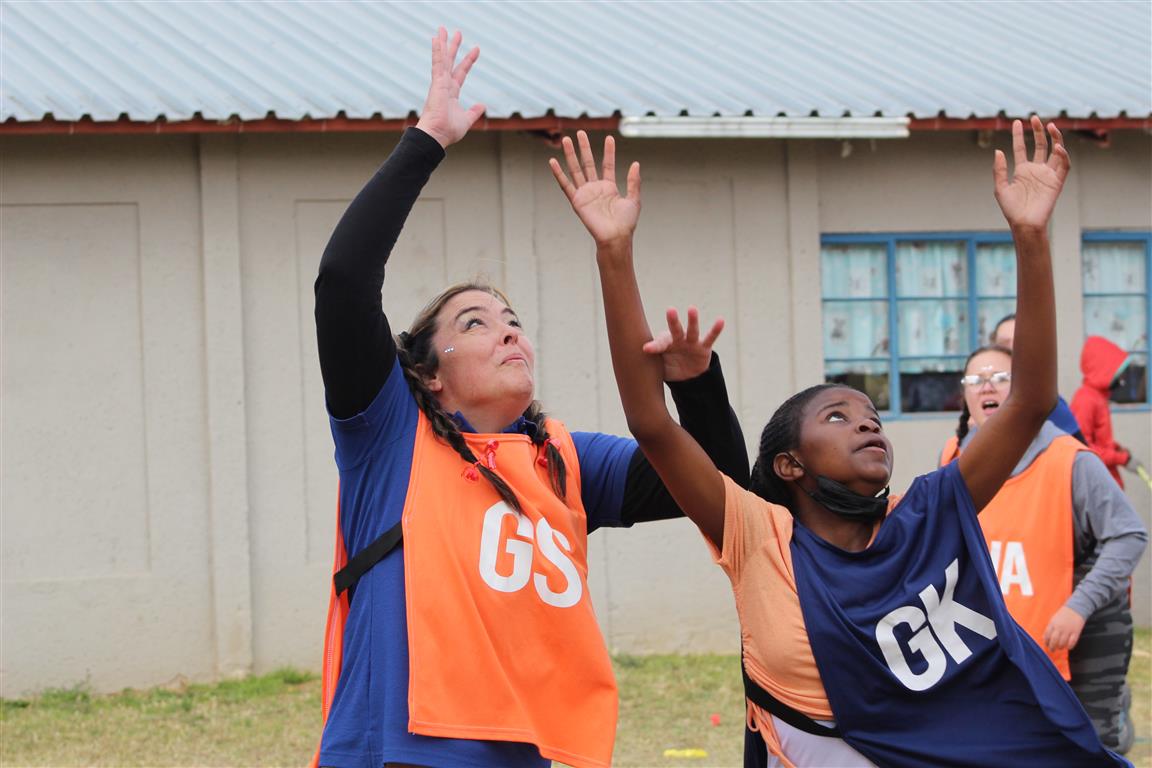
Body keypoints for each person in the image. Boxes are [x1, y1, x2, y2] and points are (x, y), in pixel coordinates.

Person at [552, 118, 1130, 767]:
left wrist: (1031, 238)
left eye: (870, 414)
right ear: (788, 463)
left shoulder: (930, 513)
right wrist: (613, 253)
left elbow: (1027, 402)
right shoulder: (757, 536)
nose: (867, 422)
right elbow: (652, 424)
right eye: (837, 416)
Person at [311, 30, 748, 768]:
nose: (507, 332)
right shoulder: (390, 435)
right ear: (429, 374)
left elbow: (718, 484)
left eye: (513, 320)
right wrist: (429, 139)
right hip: (403, 751)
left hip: (536, 754)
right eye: (474, 323)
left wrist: (697, 385)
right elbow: (343, 282)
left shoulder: (565, 460)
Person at [944, 344, 1147, 753]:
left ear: (1024, 391)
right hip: (992, 649)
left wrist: (1078, 606)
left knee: (1090, 751)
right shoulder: (953, 457)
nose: (987, 387)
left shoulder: (1069, 459)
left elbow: (1129, 535)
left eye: (1001, 378)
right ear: (965, 395)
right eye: (975, 379)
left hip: (1069, 647)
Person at [988, 313, 1085, 442]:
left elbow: (1081, 453)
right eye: (1004, 343)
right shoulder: (983, 395)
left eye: (1019, 341)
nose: (1013, 349)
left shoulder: (1047, 402)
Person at [1071, 335, 1135, 487]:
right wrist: (1121, 458)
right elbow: (1083, 448)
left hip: (1106, 478)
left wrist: (1115, 447)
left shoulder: (1098, 397)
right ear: (1104, 370)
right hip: (1096, 483)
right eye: (1118, 374)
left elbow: (1099, 439)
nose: (1122, 380)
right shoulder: (1085, 400)